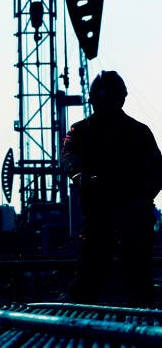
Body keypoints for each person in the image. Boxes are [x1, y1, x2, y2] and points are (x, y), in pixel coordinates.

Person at [62, 70, 162, 305]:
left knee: (105, 280)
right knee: (99, 279)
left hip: (121, 217)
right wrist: (83, 177)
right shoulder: (137, 132)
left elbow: (157, 172)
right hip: (108, 218)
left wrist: (138, 197)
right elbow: (70, 158)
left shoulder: (85, 131)